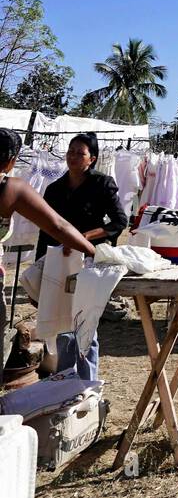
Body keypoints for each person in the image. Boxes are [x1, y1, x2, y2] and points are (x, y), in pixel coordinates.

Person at [0, 129, 95, 378]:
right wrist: (94, 251)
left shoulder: (100, 184)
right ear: (11, 160)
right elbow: (57, 226)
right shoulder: (10, 189)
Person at [41, 132, 129, 322]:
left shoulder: (102, 184)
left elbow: (119, 221)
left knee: (84, 315)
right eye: (70, 152)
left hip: (89, 257)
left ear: (92, 159)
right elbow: (45, 229)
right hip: (60, 256)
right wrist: (41, 263)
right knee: (60, 313)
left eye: (80, 153)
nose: (72, 157)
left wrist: (83, 237)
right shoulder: (54, 189)